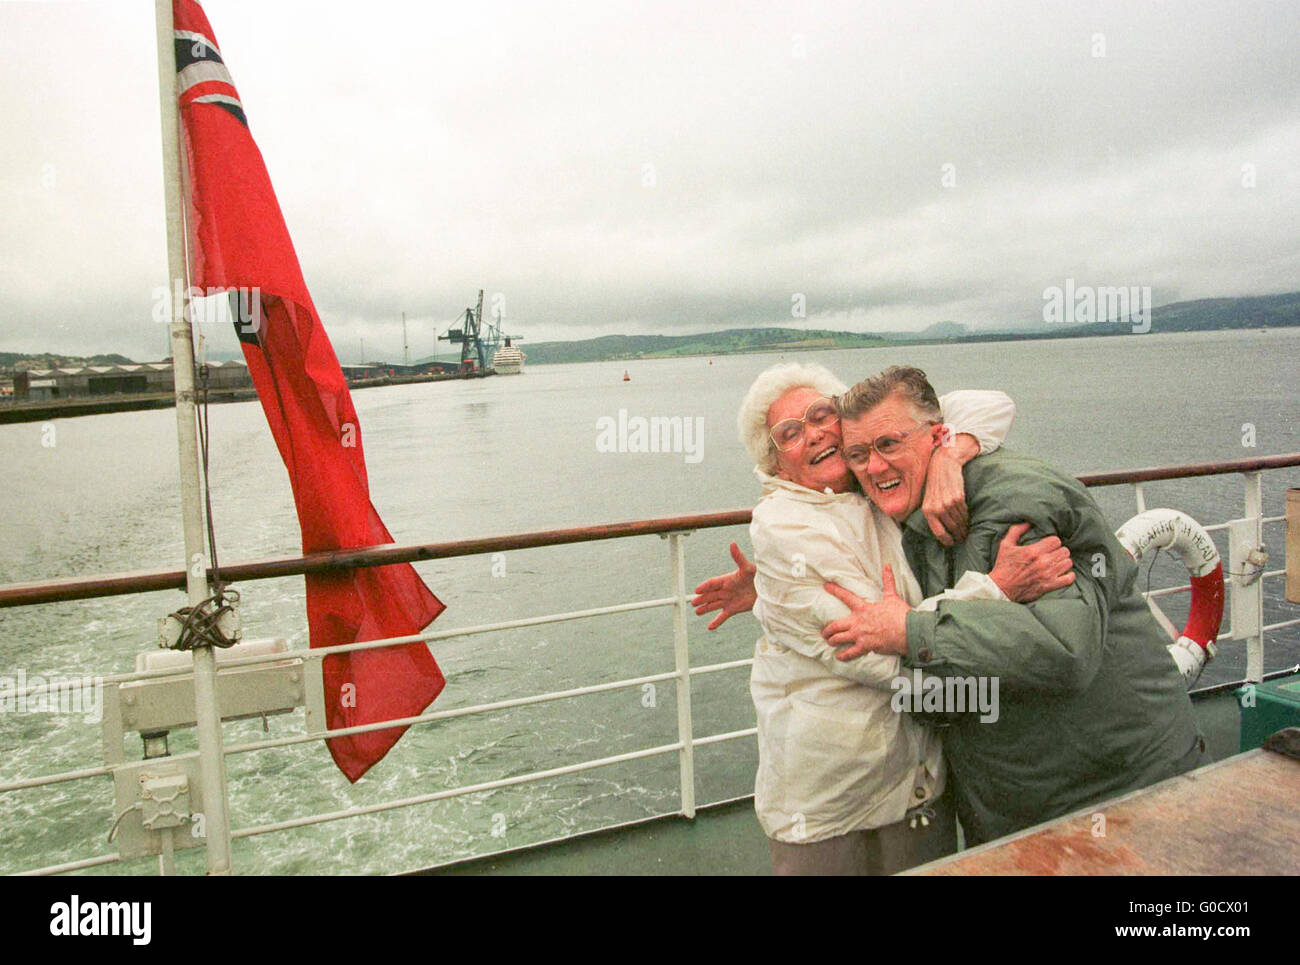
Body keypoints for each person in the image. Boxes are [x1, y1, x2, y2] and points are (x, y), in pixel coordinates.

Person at [701, 362, 1073, 874]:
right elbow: (877, 655)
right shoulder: (783, 528)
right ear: (776, 463)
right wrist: (995, 590)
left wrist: (948, 455)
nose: (812, 434)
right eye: (789, 433)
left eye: (820, 415)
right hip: (831, 799)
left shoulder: (871, 481)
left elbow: (991, 405)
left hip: (917, 780)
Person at [818, 366, 1205, 846]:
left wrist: (915, 632)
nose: (874, 467)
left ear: (940, 436)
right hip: (1012, 804)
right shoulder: (899, 500)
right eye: (859, 454)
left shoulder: (1015, 501)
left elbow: (1066, 651)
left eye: (890, 445)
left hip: (1120, 784)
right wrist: (769, 581)